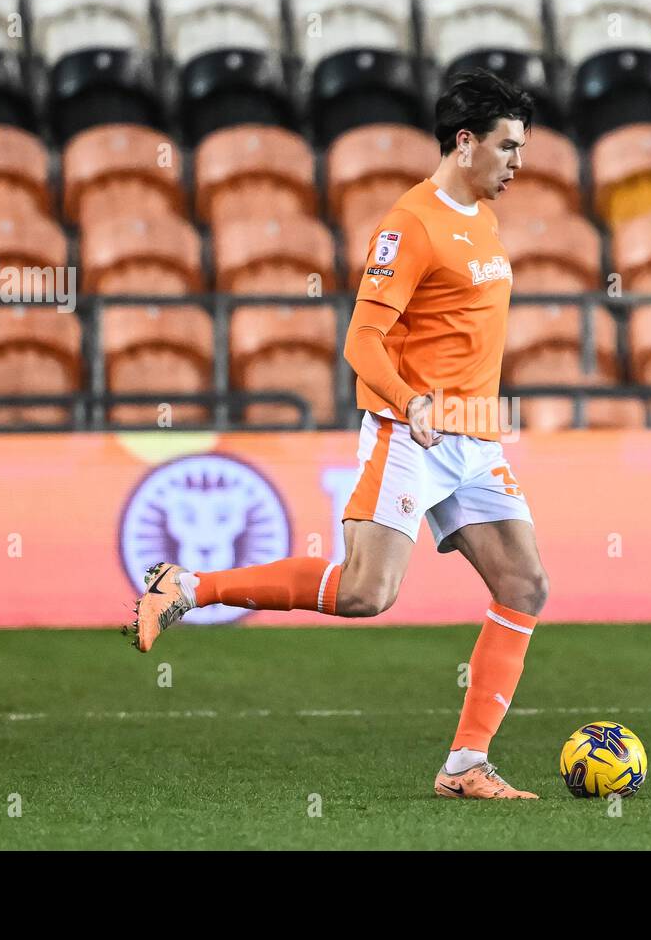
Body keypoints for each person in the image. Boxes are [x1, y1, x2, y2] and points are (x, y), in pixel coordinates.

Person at [125, 70, 549, 800]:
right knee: (365, 593)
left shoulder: (481, 217)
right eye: (508, 146)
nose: (519, 162)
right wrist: (411, 402)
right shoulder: (410, 225)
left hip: (475, 440)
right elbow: (361, 341)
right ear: (465, 141)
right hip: (409, 436)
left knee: (525, 583)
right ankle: (187, 586)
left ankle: (464, 765)